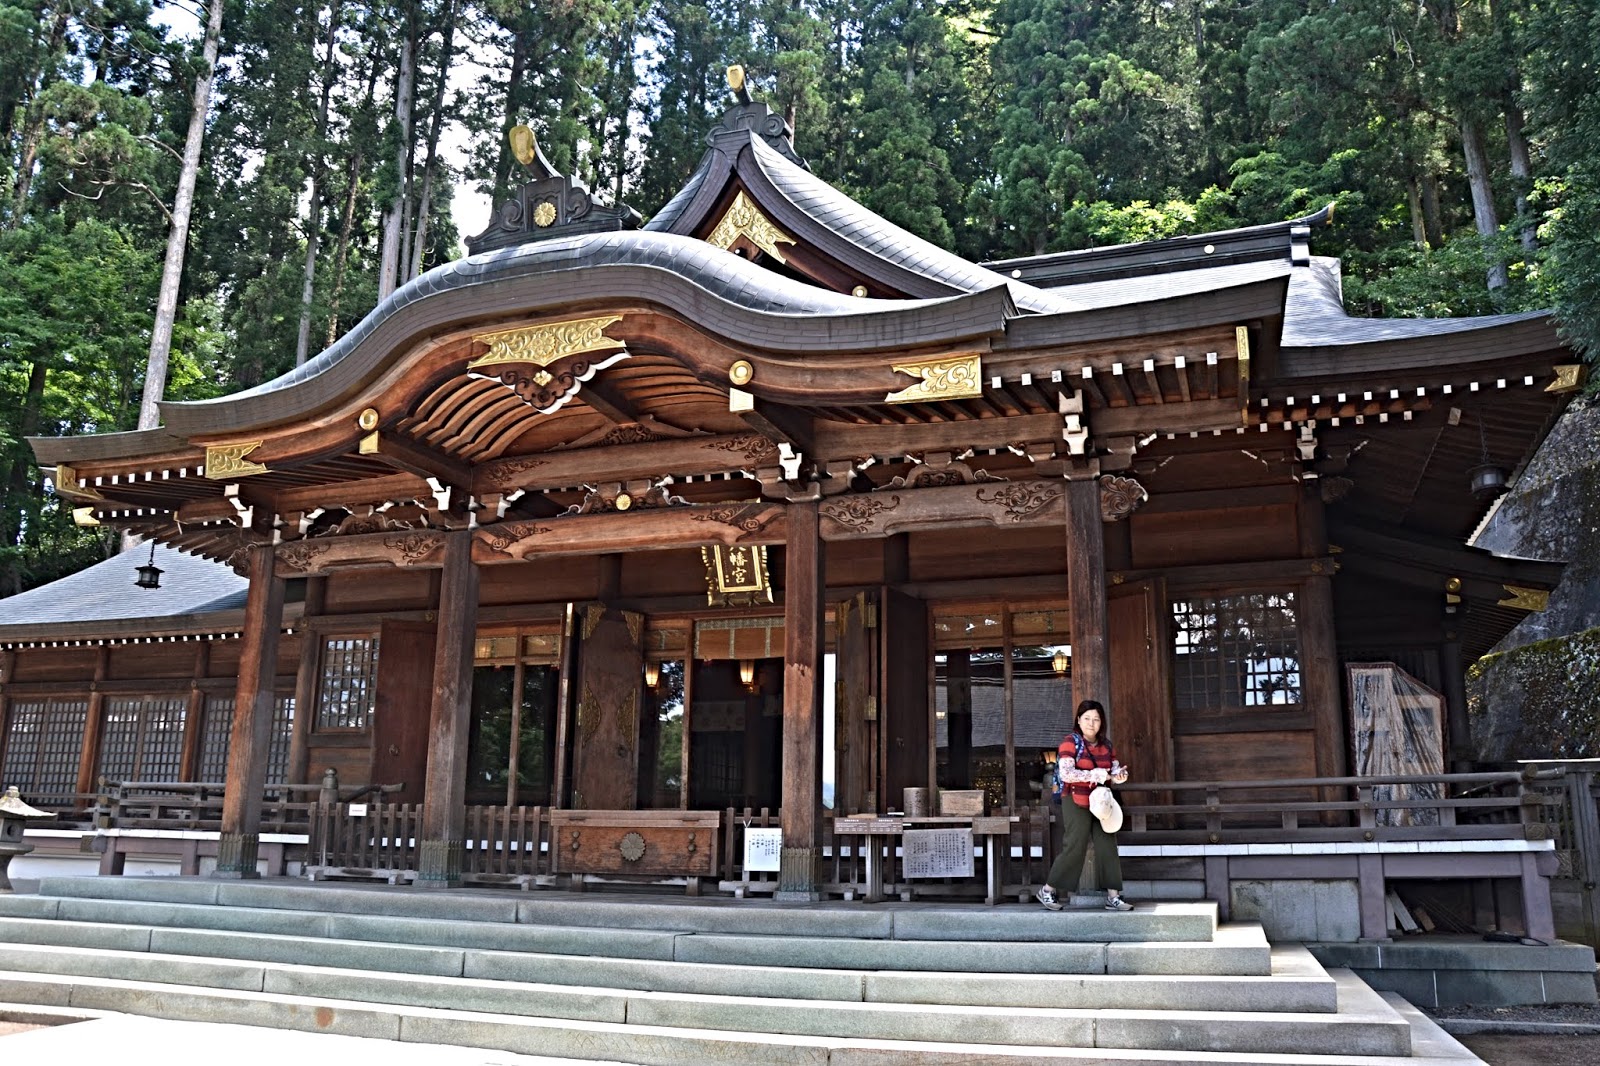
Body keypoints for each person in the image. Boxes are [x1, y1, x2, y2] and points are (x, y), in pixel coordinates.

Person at [1036, 699, 1132, 911]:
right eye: (1087, 718)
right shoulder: (1070, 743)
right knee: (1075, 846)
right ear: (1078, 720)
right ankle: (1047, 890)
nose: (1091, 723)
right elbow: (1066, 773)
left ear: (1101, 722)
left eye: (1096, 719)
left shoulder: (1107, 746)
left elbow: (1112, 774)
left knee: (1108, 843)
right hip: (1076, 799)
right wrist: (1095, 774)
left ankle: (1114, 896)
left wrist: (1119, 776)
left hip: (1101, 801)